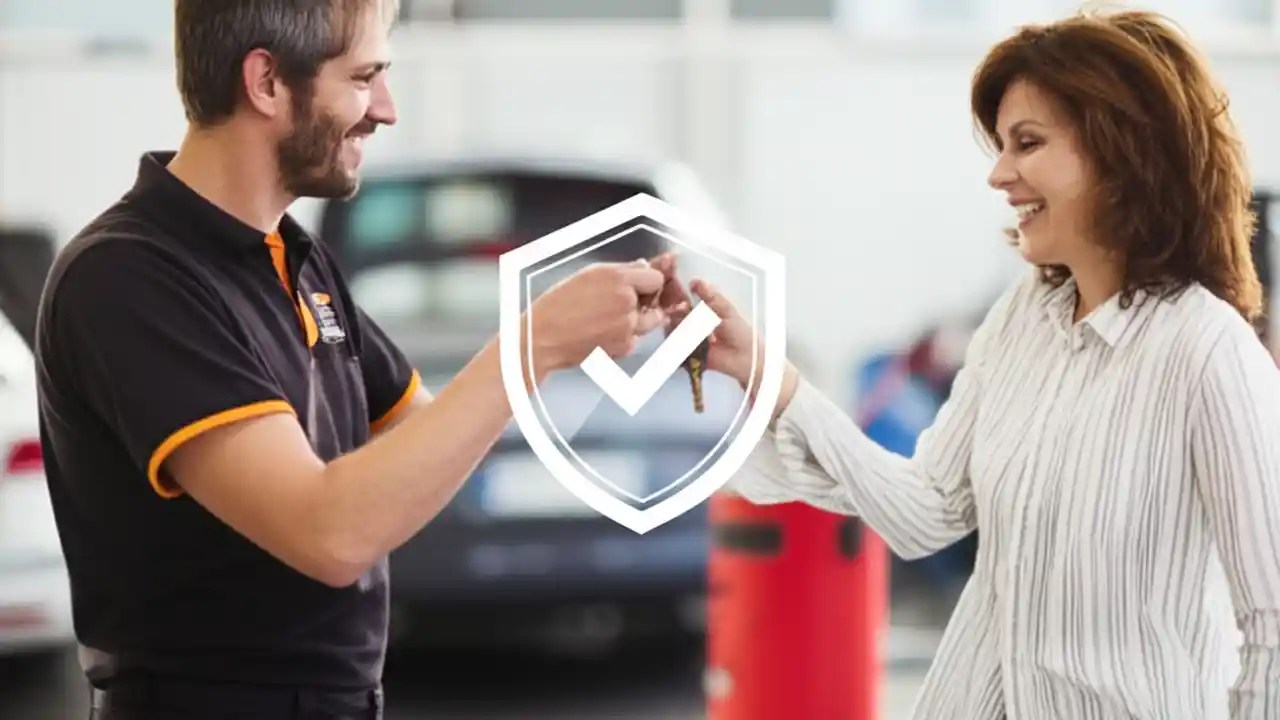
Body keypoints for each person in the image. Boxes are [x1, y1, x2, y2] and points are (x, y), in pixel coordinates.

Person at [33, 1, 680, 718]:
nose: (387, 110)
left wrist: (575, 344)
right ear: (267, 82)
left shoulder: (295, 261)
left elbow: (421, 444)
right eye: (365, 77)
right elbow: (330, 533)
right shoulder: (130, 278)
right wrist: (534, 345)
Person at [666, 9, 1280, 720]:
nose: (999, 174)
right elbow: (926, 511)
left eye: (1028, 143)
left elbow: (1272, 627)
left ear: (1120, 156)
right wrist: (768, 379)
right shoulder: (1023, 318)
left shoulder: (1208, 352)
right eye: (1000, 145)